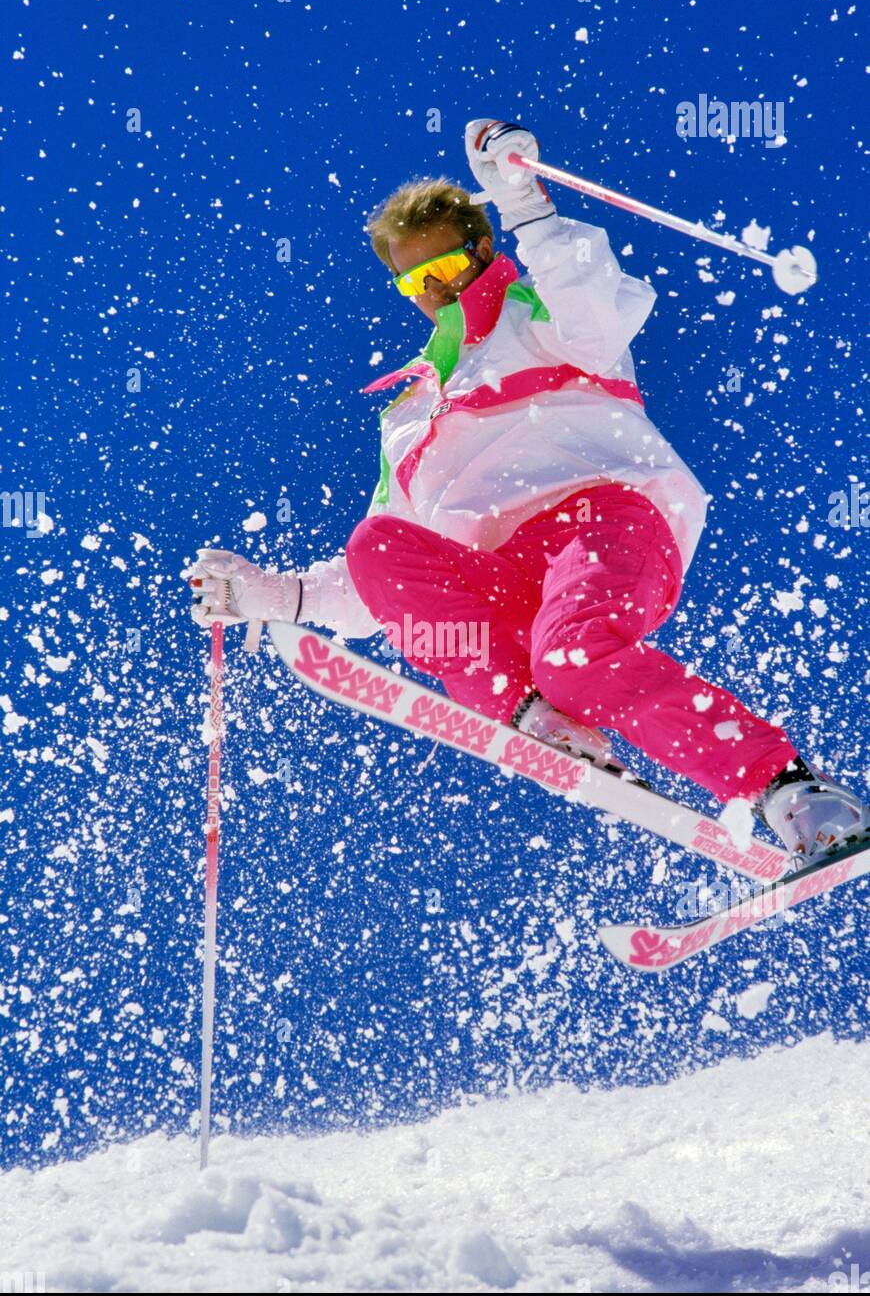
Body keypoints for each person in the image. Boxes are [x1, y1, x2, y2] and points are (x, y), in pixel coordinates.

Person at [186, 119, 868, 866]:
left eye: (446, 265)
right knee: (378, 544)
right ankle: (539, 719)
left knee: (573, 654)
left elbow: (597, 308)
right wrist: (276, 595)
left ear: (482, 249)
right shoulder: (409, 415)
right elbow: (380, 588)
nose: (437, 290)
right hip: (503, 581)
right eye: (416, 281)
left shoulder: (537, 316)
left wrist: (526, 203)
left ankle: (794, 791)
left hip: (601, 525)